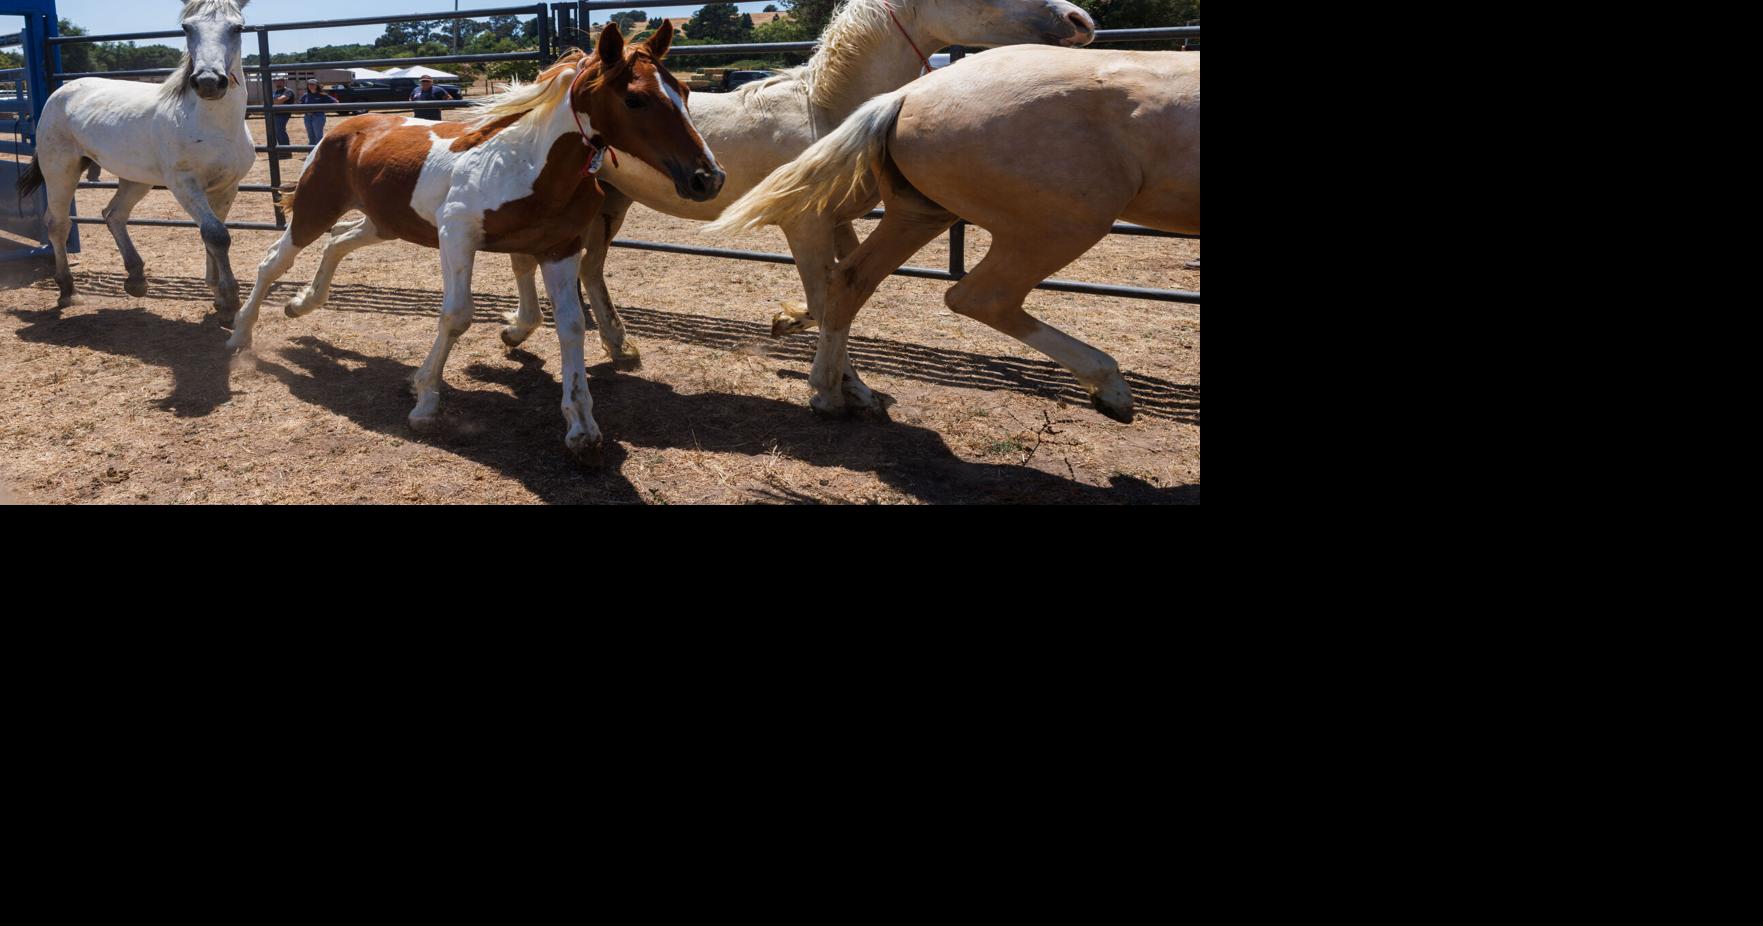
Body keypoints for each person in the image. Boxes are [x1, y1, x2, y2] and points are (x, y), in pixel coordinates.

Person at [300, 79, 339, 147]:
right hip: (307, 117)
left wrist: (323, 109)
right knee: (310, 135)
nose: (311, 86)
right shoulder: (305, 95)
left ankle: (319, 152)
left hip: (318, 116)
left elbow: (335, 102)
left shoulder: (322, 95)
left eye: (313, 84)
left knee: (318, 136)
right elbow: (300, 105)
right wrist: (306, 111)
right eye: (309, 84)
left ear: (317, 85)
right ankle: (311, 153)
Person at [269, 77, 296, 159]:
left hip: (283, 114)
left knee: (280, 132)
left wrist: (273, 101)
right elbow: (268, 101)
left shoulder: (288, 91)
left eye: (280, 81)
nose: (278, 83)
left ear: (284, 82)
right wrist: (275, 101)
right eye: (276, 81)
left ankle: (286, 152)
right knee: (277, 133)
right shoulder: (275, 92)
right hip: (275, 114)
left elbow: (280, 100)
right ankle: (282, 151)